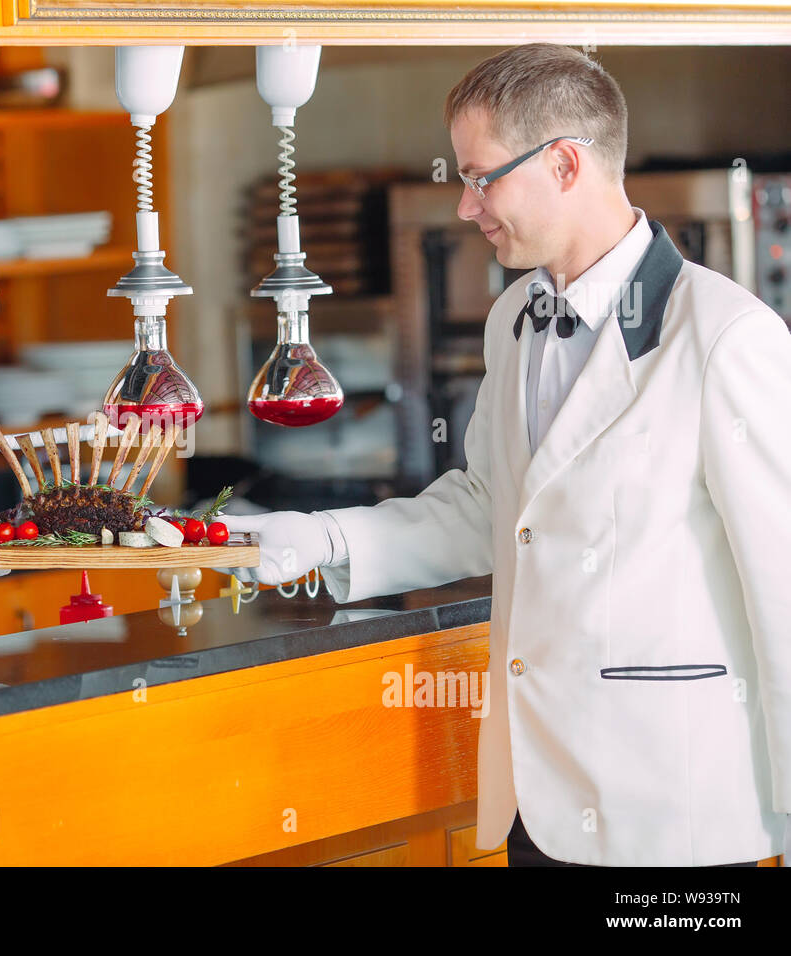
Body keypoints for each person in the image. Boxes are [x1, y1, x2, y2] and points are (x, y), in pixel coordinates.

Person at [224, 43, 791, 867]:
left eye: (481, 176)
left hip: (677, 821)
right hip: (536, 805)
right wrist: (321, 540)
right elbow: (491, 505)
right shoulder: (514, 319)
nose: (464, 206)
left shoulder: (728, 336)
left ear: (565, 164)